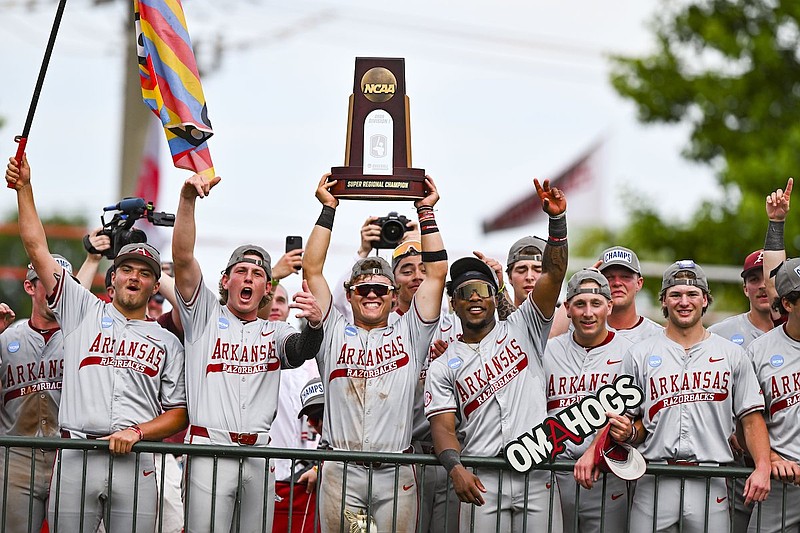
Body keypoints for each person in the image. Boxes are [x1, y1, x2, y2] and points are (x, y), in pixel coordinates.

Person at [6, 154, 188, 533]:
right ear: (112, 278)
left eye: (144, 274)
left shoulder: (166, 340)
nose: (134, 278)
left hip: (136, 459)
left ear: (156, 285)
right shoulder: (82, 311)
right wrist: (25, 188)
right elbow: (37, 248)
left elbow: (178, 412)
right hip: (76, 455)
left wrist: (137, 432)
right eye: (126, 270)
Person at [172, 173, 324, 533]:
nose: (249, 278)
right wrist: (188, 200)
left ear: (267, 287)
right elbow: (182, 258)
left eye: (258, 274)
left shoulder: (274, 330)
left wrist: (315, 326)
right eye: (241, 271)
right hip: (210, 448)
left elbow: (300, 351)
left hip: (259, 455)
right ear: (225, 281)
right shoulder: (204, 315)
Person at [303, 174, 447, 533]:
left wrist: (426, 212)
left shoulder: (410, 331)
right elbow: (312, 270)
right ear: (349, 294)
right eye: (363, 288)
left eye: (380, 290)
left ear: (395, 295)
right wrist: (328, 209)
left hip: (396, 471)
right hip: (342, 468)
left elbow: (437, 275)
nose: (371, 295)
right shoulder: (333, 330)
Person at [425, 178, 568, 532]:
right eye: (464, 292)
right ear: (453, 303)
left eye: (482, 290)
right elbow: (442, 428)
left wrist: (557, 223)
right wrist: (455, 468)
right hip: (482, 476)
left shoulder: (525, 326)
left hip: (537, 473)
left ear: (495, 295)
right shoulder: (443, 363)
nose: (474, 297)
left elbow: (553, 273)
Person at [620, 260, 771, 533]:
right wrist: (628, 432)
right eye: (675, 294)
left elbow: (751, 418)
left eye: (692, 294)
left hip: (711, 476)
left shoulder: (731, 354)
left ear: (705, 299)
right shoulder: (639, 353)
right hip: (655, 476)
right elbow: (633, 422)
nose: (684, 301)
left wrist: (762, 466)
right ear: (663, 301)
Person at [544, 268, 635, 533]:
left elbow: (631, 415)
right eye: (580, 304)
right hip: (555, 474)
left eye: (596, 304)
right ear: (568, 308)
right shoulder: (548, 350)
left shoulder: (631, 351)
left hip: (606, 475)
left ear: (609, 306)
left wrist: (595, 449)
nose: (588, 313)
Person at [0, 256, 73, 532]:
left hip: (70, 455)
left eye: (63, 283)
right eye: (51, 281)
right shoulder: (6, 338)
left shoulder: (80, 338)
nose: (58, 291)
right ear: (30, 287)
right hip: (16, 456)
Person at [709, 249, 774, 533]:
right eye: (753, 278)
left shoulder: (791, 330)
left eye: (767, 278)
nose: (761, 285)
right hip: (738, 462)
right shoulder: (720, 333)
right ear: (744, 286)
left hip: (787, 458)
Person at [745, 257, 800, 533]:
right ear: (788, 304)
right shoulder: (759, 351)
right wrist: (772, 458)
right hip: (781, 484)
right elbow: (742, 422)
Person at [597, 245, 663, 342]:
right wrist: (585, 281)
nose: (617, 283)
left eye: (625, 277)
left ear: (639, 283)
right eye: (609, 277)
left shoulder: (658, 336)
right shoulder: (584, 330)